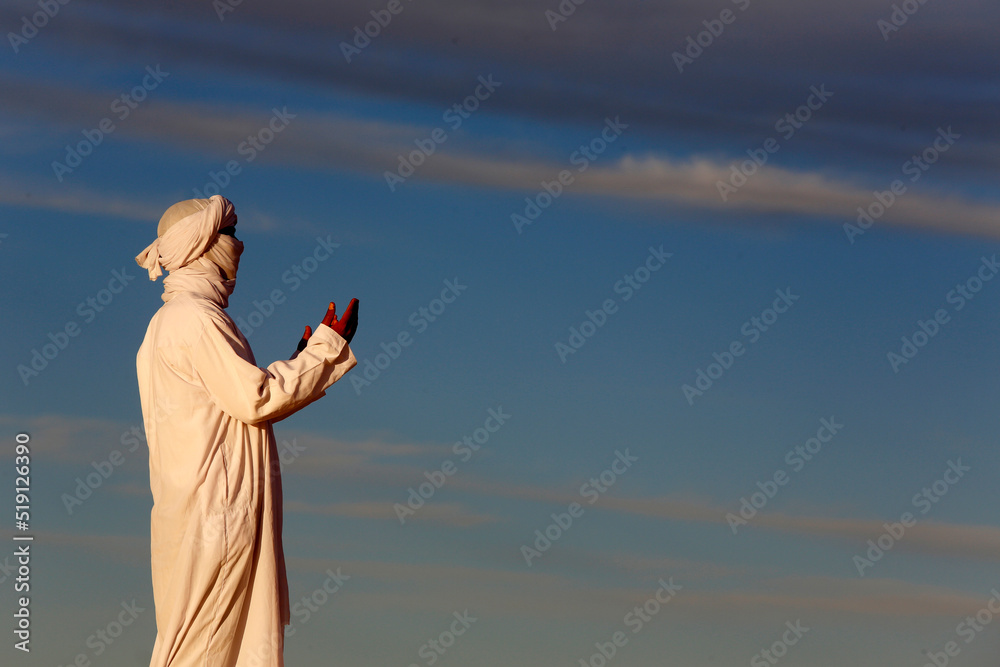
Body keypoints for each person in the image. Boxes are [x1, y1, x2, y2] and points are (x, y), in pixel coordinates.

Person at [134, 195, 358, 666]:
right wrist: (325, 351)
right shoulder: (195, 319)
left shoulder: (168, 324)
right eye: (230, 233)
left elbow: (236, 401)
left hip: (198, 514)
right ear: (202, 243)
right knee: (204, 652)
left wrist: (301, 360)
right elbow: (255, 399)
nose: (239, 244)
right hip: (217, 514)